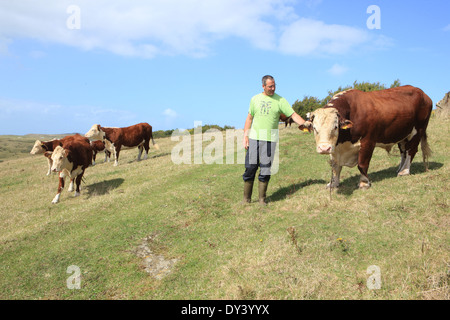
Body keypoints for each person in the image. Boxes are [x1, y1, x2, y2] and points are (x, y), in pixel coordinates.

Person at [242, 75, 307, 205]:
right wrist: (245, 136)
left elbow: (293, 115)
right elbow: (249, 118)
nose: (273, 88)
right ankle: (246, 199)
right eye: (270, 86)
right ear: (263, 86)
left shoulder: (280, 100)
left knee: (265, 169)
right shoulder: (255, 99)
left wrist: (304, 123)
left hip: (270, 140)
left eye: (274, 85)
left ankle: (262, 200)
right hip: (254, 138)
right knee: (250, 168)